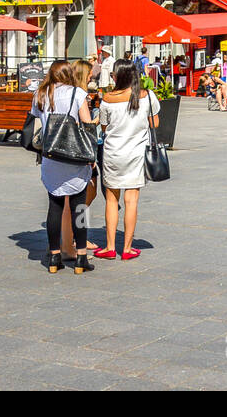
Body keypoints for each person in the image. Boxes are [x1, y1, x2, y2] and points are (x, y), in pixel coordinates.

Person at [95, 58, 159, 260]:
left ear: (116, 76)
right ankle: (128, 248)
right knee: (131, 201)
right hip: (136, 154)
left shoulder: (107, 99)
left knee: (111, 200)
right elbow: (155, 123)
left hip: (113, 153)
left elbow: (104, 127)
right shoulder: (146, 96)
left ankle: (110, 246)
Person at [37, 60, 97, 274]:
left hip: (51, 157)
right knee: (79, 207)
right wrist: (92, 156)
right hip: (74, 156)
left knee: (55, 207)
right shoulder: (77, 94)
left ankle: (54, 257)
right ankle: (81, 257)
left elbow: (36, 122)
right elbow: (87, 124)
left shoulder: (42, 94)